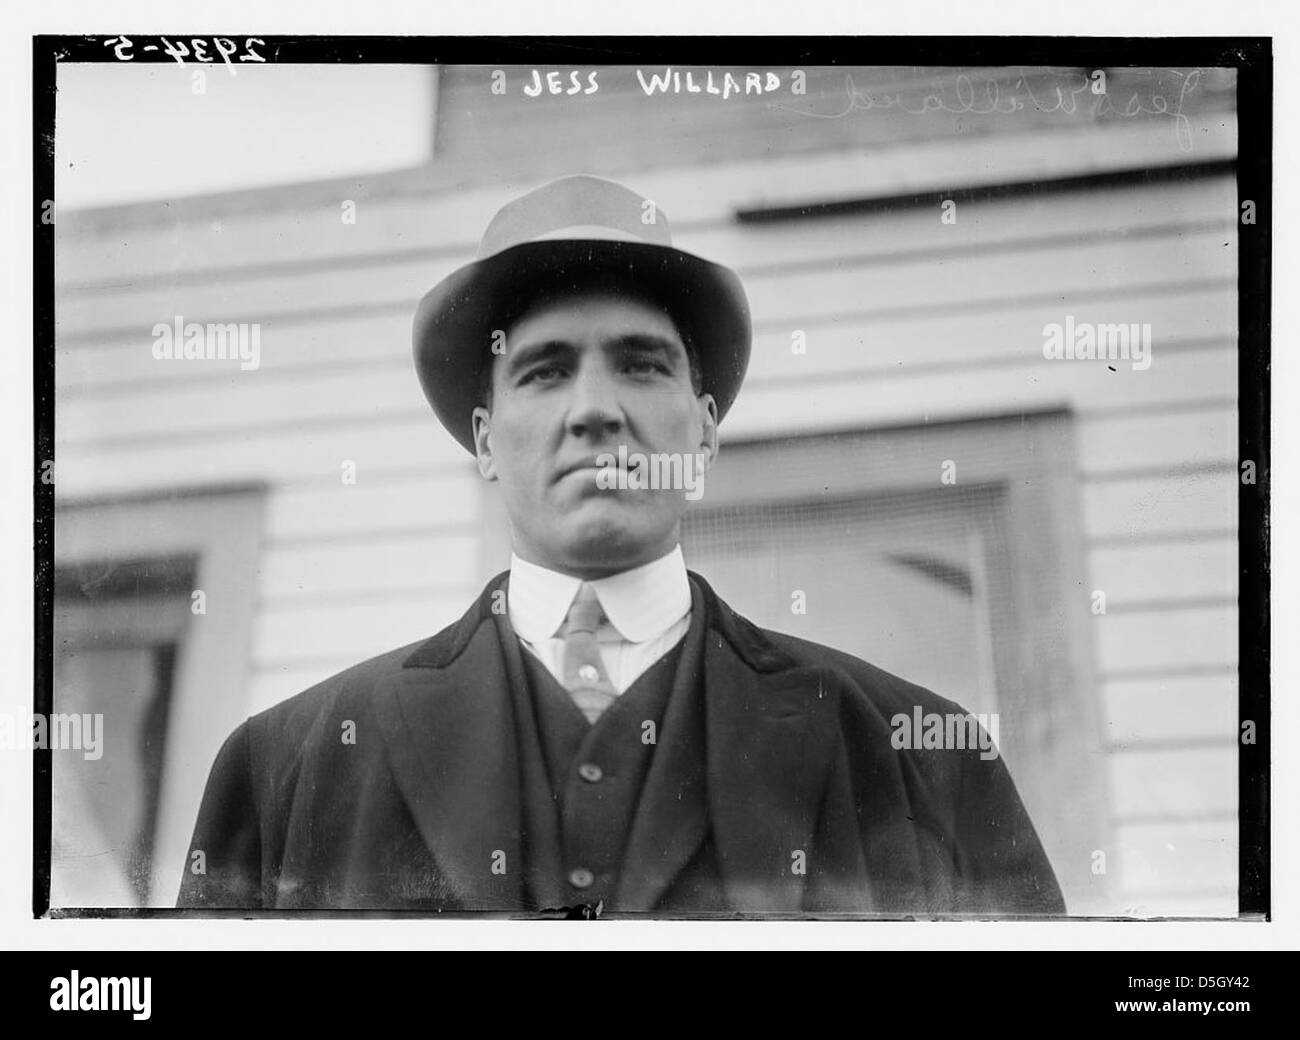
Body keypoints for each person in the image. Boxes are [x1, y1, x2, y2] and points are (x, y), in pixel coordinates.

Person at [178, 175, 1064, 916]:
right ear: (485, 440)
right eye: (545, 369)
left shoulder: (920, 759)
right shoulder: (288, 772)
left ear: (705, 430)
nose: (596, 409)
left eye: (642, 364)